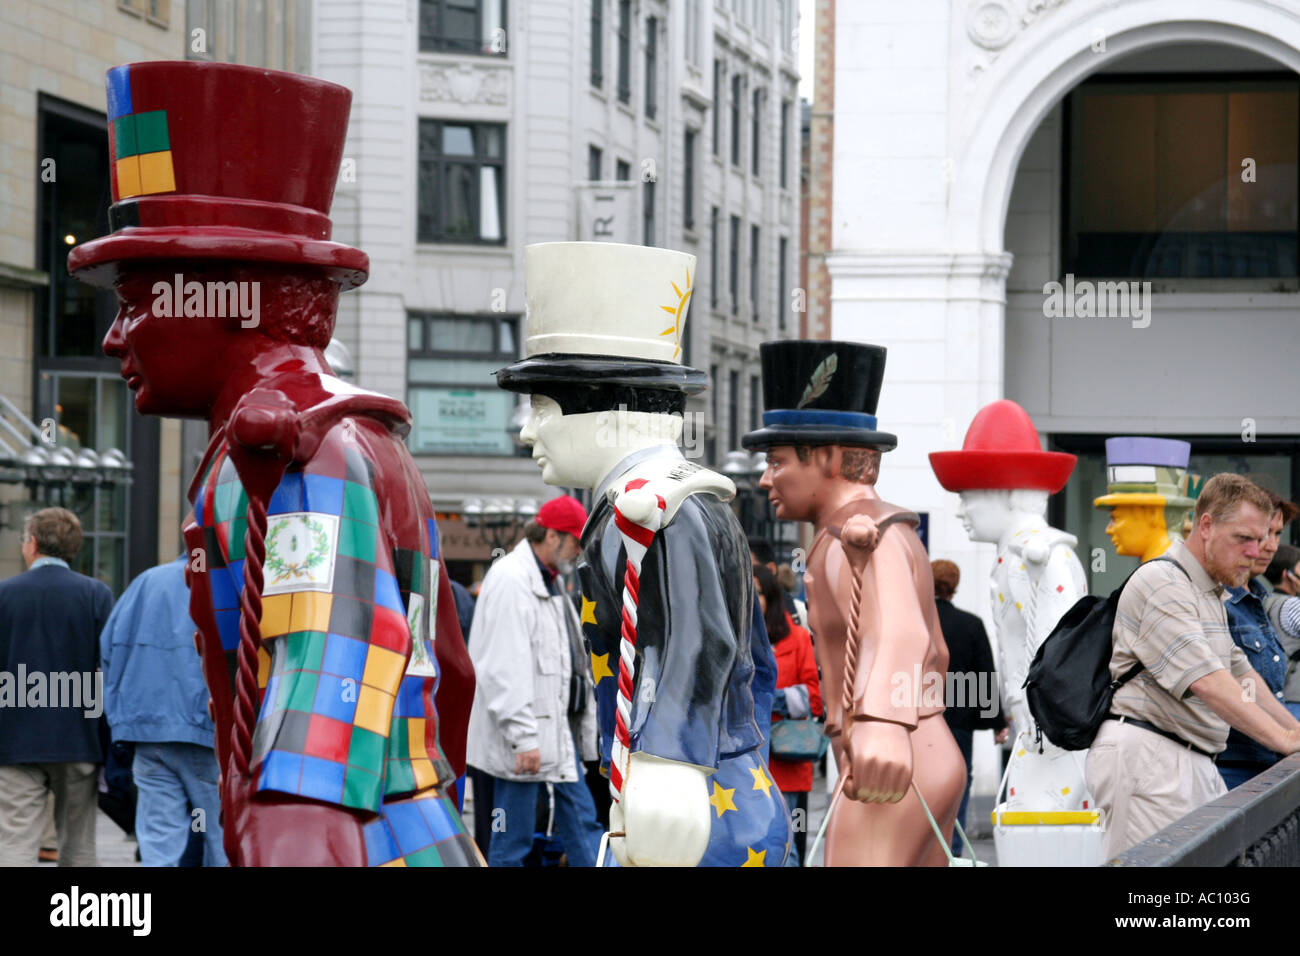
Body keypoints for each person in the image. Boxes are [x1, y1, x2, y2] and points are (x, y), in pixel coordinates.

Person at [68, 61, 480, 866]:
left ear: (222, 299)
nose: (116, 336)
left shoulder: (302, 453)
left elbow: (311, 770)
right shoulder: (343, 437)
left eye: (135, 300)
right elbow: (450, 678)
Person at [498, 240, 788, 867]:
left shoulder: (656, 511)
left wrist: (667, 767)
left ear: (605, 410)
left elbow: (697, 641)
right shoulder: (672, 503)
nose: (527, 431)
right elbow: (751, 664)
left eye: (542, 407)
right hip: (713, 795)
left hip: (693, 812)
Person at [745, 339, 965, 866]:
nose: (765, 478)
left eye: (776, 461)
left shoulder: (864, 535)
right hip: (908, 747)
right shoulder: (853, 534)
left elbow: (897, 631)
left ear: (825, 458)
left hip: (892, 755)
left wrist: (883, 726)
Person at [1088, 474, 1300, 858]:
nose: (1257, 551)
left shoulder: (1205, 590)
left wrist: (1293, 731)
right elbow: (1207, 680)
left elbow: (1241, 672)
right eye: (1244, 538)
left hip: (1187, 758)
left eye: (1262, 538)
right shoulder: (1163, 582)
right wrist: (1284, 740)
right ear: (1206, 526)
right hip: (1152, 757)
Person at [464, 495, 603, 867]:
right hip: (524, 736)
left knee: (577, 824)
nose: (577, 551)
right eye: (575, 541)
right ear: (553, 536)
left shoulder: (546, 581)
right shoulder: (514, 580)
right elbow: (503, 668)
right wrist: (524, 737)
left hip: (547, 730)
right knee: (513, 840)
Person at [0, 508, 113, 866]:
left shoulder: (4, 594)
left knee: (14, 841)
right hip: (79, 732)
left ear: (32, 544)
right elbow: (108, 666)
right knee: (79, 844)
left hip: (14, 734)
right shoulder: (97, 595)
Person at [100, 554, 227, 866]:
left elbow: (108, 650)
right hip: (208, 733)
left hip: (148, 731)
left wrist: (119, 718)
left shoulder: (147, 581)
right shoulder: (229, 581)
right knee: (219, 838)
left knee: (159, 842)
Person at [930, 560, 1007, 856]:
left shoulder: (916, 621)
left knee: (924, 784)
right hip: (959, 721)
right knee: (958, 783)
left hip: (918, 720)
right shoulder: (970, 624)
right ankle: (953, 852)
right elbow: (984, 674)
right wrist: (997, 722)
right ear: (955, 586)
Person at [754, 565, 821, 866]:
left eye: (758, 594)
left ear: (770, 596)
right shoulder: (733, 638)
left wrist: (769, 696)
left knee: (787, 847)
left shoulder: (797, 638)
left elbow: (814, 700)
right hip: (744, 762)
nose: (753, 601)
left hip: (786, 762)